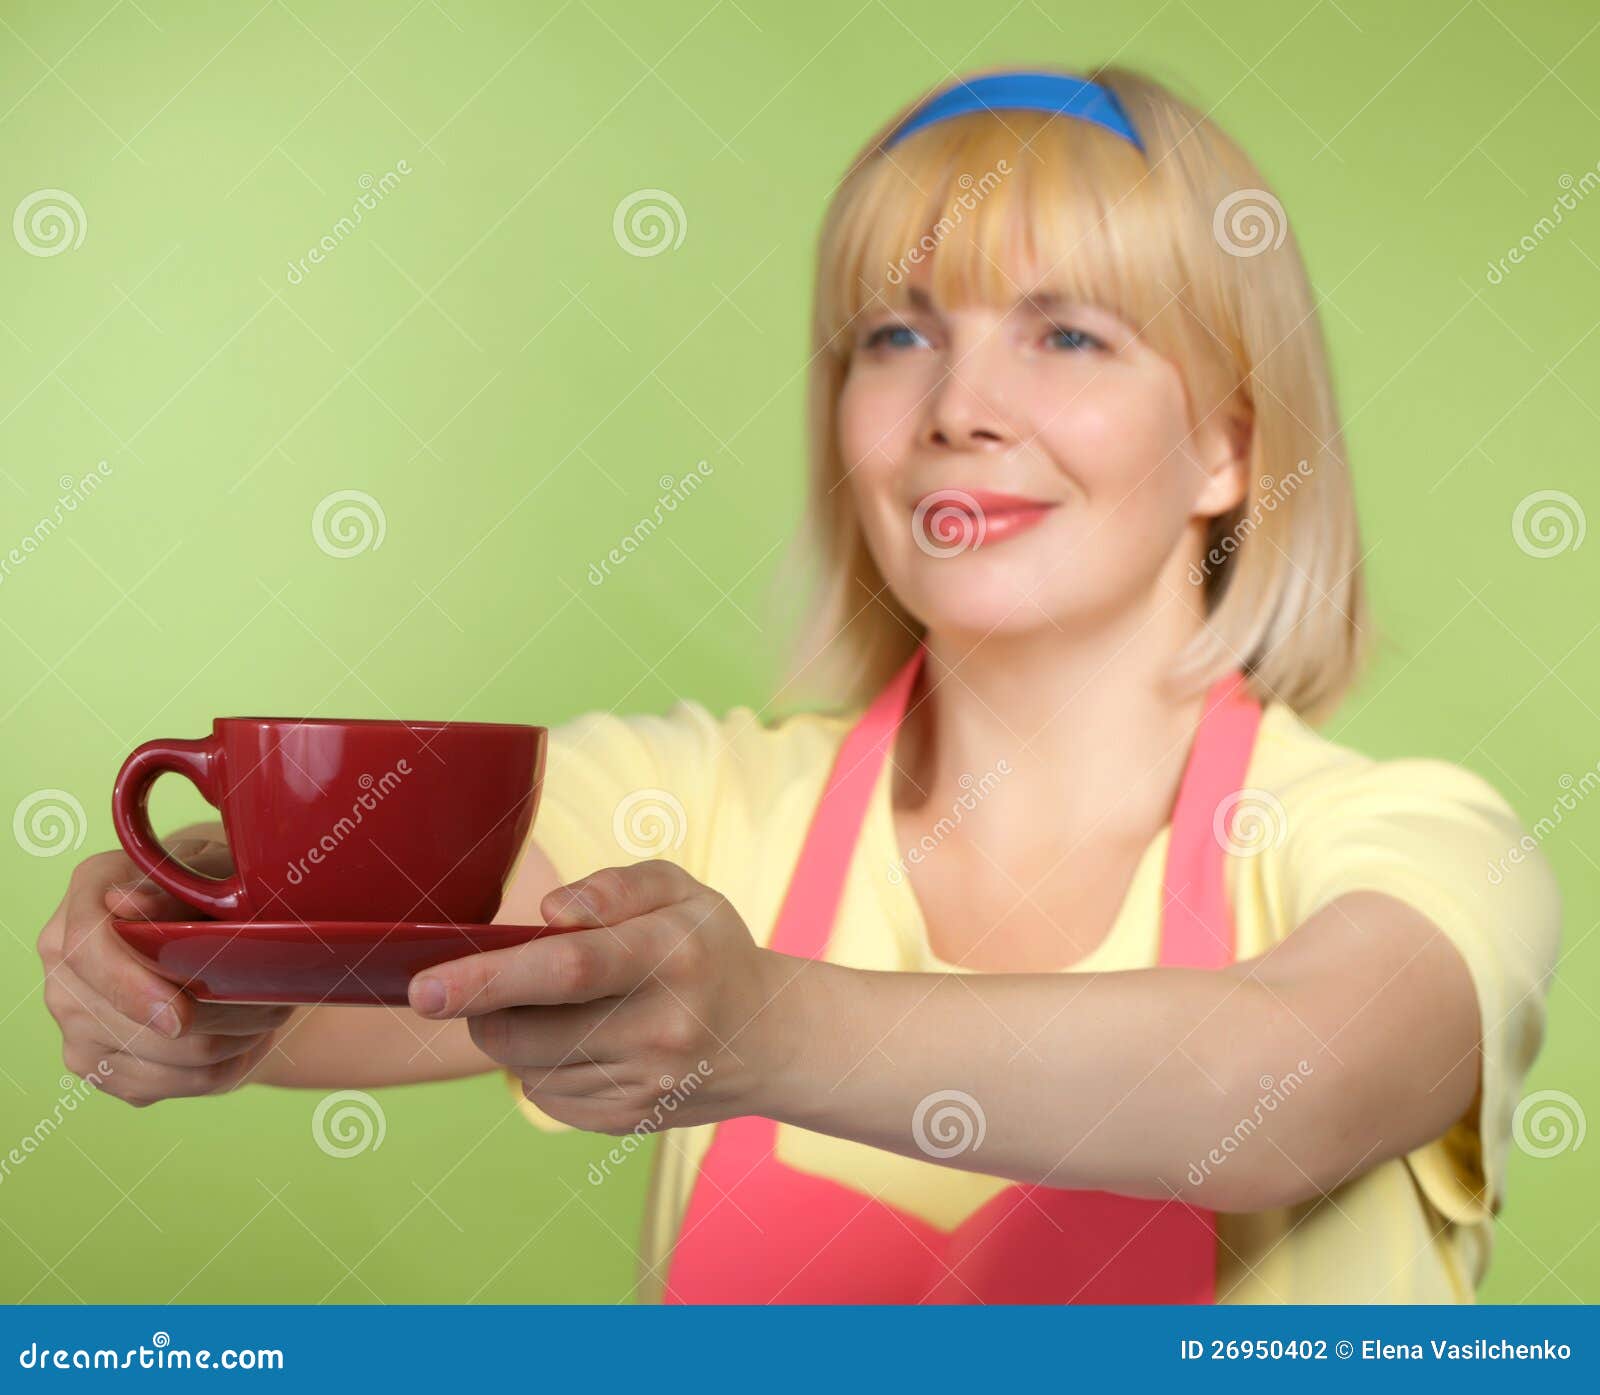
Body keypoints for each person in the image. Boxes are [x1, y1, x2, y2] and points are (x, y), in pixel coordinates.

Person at [37, 65, 1561, 1304]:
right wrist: (201, 964)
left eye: (1068, 334)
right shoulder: (700, 806)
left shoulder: (1414, 842)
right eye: (895, 336)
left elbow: (1277, 1086)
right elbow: (408, 947)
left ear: (1230, 442)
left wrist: (761, 1032)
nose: (959, 405)